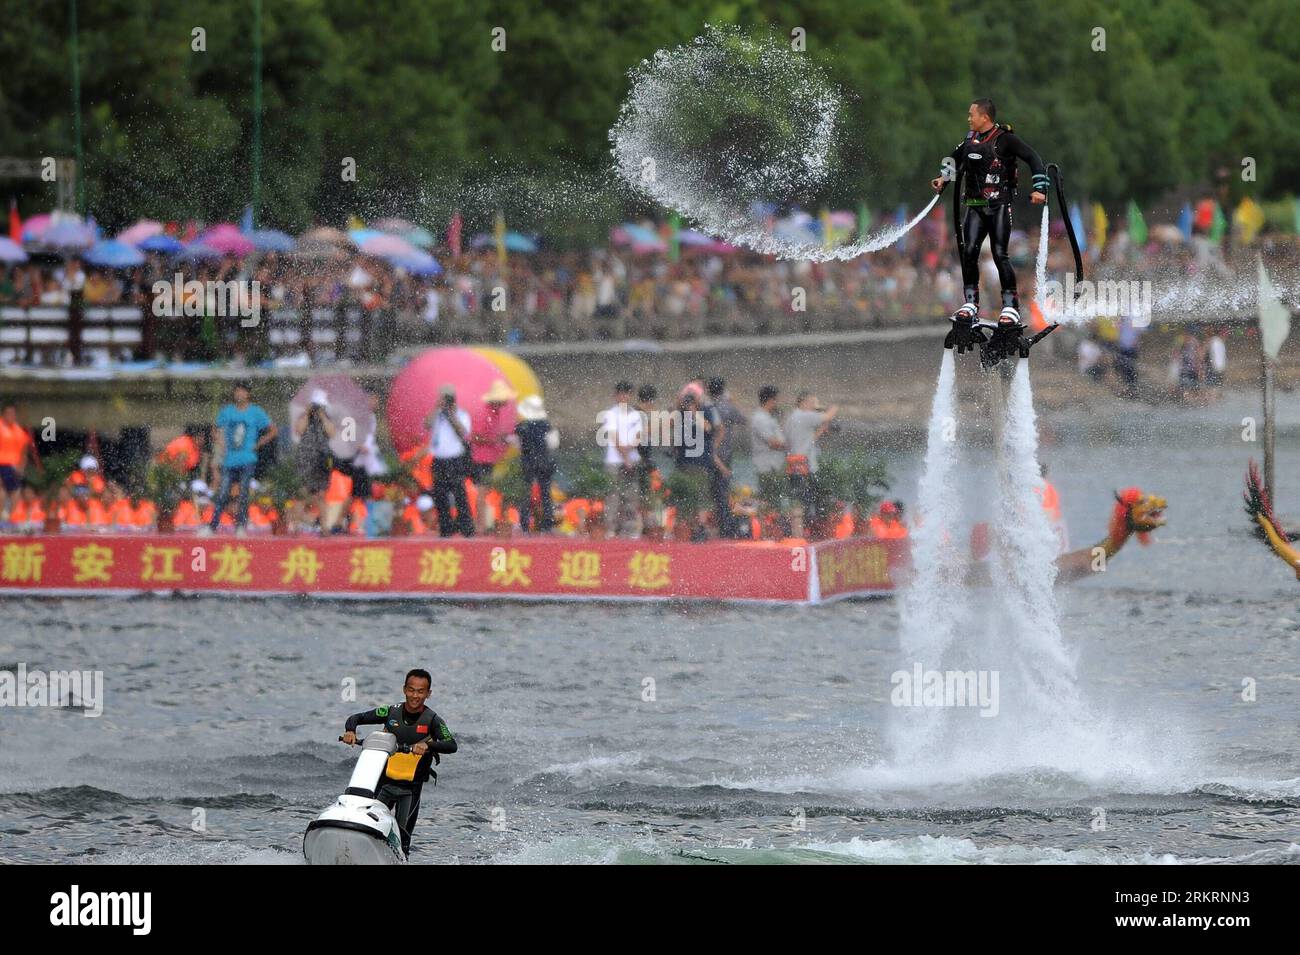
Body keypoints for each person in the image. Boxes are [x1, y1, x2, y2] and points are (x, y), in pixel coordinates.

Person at [931, 98, 1049, 347]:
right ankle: (971, 302)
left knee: (999, 254)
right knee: (969, 252)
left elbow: (1033, 157)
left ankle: (1010, 306)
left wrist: (1040, 188)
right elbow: (952, 159)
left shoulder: (1005, 139)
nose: (968, 118)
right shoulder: (969, 140)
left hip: (998, 206)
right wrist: (943, 179)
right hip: (973, 207)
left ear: (984, 117)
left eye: (971, 114)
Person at [341, 669, 457, 857]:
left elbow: (451, 745)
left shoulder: (433, 720)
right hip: (383, 785)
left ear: (428, 694)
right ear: (404, 689)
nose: (415, 696)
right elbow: (356, 718)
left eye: (421, 691)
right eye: (411, 690)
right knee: (365, 823)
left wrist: (427, 745)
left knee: (402, 842)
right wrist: (350, 731)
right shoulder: (390, 711)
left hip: (410, 792)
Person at [203, 381, 276, 536]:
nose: (239, 394)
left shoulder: (256, 412)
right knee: (223, 493)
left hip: (247, 459)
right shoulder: (227, 411)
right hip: (230, 460)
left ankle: (240, 526)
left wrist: (258, 444)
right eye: (237, 391)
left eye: (242, 391)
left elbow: (273, 430)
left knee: (243, 493)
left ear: (248, 394)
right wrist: (221, 443)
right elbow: (214, 430)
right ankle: (212, 526)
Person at [783, 391, 838, 538]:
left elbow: (802, 441)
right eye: (813, 404)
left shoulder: (791, 418)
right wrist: (831, 406)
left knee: (801, 501)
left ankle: (799, 533)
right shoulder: (804, 415)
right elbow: (829, 415)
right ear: (805, 403)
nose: (814, 408)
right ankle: (810, 534)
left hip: (793, 467)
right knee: (812, 501)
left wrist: (820, 431)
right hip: (806, 467)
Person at [425, 384, 474, 537]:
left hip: (455, 460)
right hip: (439, 460)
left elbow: (463, 432)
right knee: (440, 495)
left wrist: (451, 415)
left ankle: (466, 528)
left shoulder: (461, 414)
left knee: (459, 494)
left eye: (448, 399)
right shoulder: (437, 415)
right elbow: (426, 424)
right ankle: (446, 528)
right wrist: (437, 408)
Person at [470, 379, 516, 532]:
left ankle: (483, 523)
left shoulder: (496, 413)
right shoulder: (484, 413)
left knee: (486, 491)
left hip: (490, 458)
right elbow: (474, 436)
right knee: (482, 492)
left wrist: (500, 439)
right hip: (481, 458)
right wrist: (493, 440)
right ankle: (480, 525)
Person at [599, 381, 643, 537]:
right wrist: (625, 457)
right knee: (613, 495)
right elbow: (614, 437)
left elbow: (638, 436)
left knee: (631, 495)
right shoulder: (611, 414)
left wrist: (629, 450)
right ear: (616, 396)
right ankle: (611, 528)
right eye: (621, 393)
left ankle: (629, 529)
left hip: (633, 458)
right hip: (614, 460)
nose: (624, 397)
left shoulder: (635, 414)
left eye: (627, 394)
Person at [293, 389, 337, 531]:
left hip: (322, 459)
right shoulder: (305, 416)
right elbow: (299, 430)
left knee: (321, 494)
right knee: (302, 492)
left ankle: (325, 527)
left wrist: (323, 415)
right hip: (305, 458)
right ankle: (296, 527)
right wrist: (307, 412)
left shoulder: (329, 417)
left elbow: (332, 433)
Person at [707, 377, 745, 537]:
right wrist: (733, 400)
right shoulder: (727, 407)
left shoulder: (708, 407)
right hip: (724, 454)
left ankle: (712, 526)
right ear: (723, 390)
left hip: (708, 454)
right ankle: (725, 528)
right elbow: (743, 419)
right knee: (723, 491)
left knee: (711, 491)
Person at [514, 394, 558, 533]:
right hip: (544, 462)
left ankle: (524, 524)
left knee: (525, 493)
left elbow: (516, 444)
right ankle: (547, 524)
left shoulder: (522, 426)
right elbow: (553, 444)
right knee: (545, 493)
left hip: (527, 462)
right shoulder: (546, 425)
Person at [0, 403, 42, 499]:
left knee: (15, 491)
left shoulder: (20, 432)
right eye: (8, 413)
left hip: (13, 466)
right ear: (3, 414)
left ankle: (10, 513)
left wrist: (21, 468)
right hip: (1, 464)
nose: (10, 416)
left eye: (13, 414)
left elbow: (24, 453)